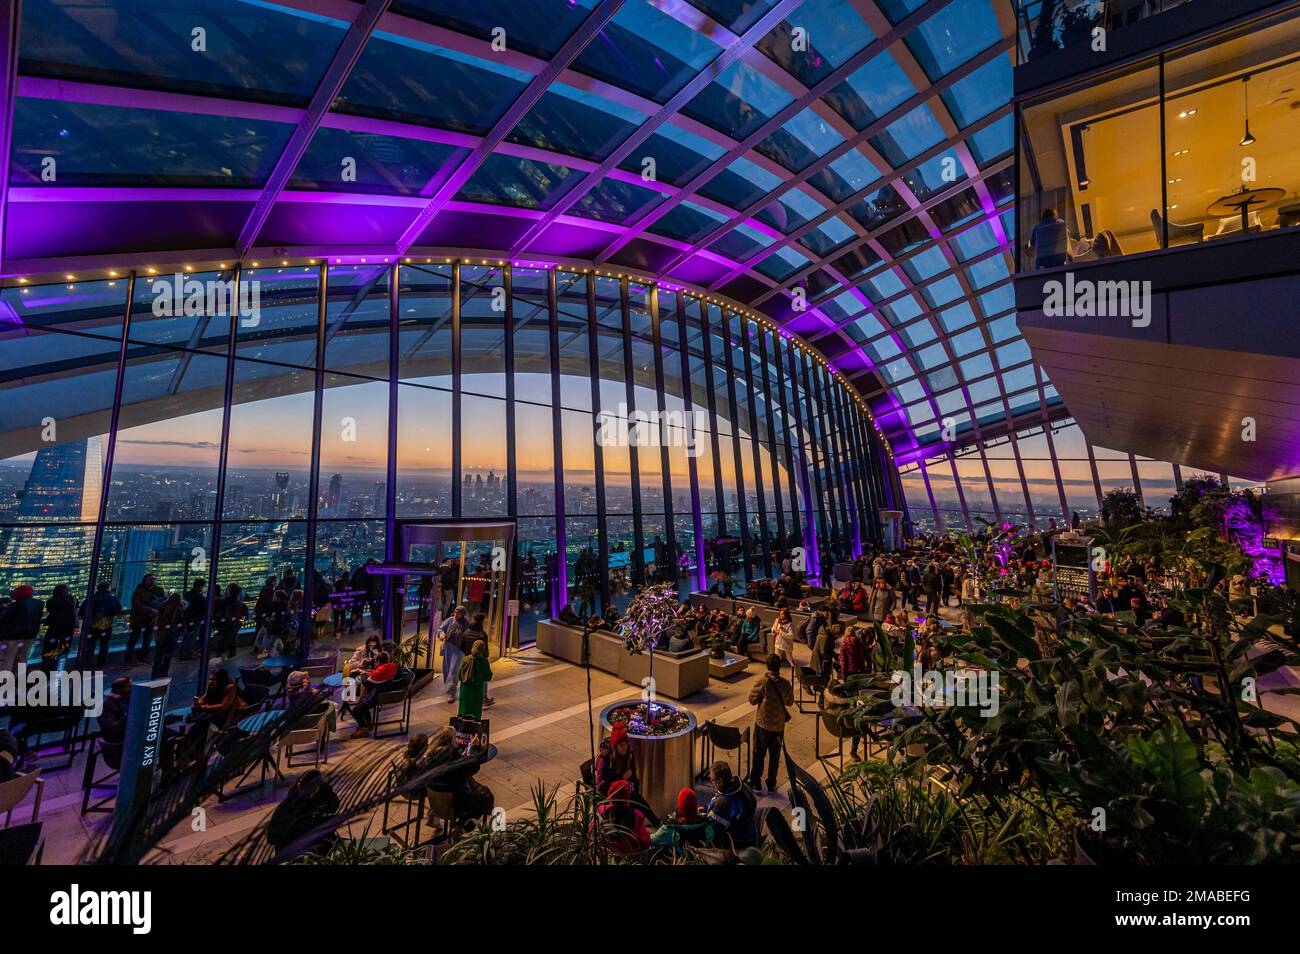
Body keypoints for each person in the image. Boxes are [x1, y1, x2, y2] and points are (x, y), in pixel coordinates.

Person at [747, 655, 793, 793]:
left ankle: (755, 782)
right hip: (778, 726)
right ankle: (771, 783)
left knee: (758, 754)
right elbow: (790, 702)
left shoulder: (763, 682)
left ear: (767, 666)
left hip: (763, 724)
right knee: (775, 756)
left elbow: (752, 700)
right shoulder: (786, 684)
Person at [266, 769, 341, 854]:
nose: (309, 795)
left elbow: (333, 806)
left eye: (311, 792)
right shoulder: (292, 802)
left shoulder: (325, 794)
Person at [703, 760, 757, 850]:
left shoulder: (723, 803)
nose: (711, 782)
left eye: (712, 780)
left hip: (738, 843)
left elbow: (712, 828)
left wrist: (705, 814)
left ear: (720, 781)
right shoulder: (744, 787)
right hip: (751, 832)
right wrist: (706, 807)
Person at [345, 653, 399, 738]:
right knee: (362, 707)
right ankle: (369, 724)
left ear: (378, 661)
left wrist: (362, 675)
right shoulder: (389, 668)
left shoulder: (379, 672)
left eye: (376, 662)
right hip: (381, 694)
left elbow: (367, 683)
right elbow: (378, 676)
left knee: (356, 710)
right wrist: (370, 673)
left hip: (374, 697)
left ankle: (363, 729)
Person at [595, 779, 651, 855]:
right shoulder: (637, 814)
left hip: (607, 855)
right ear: (628, 796)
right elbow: (645, 841)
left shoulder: (601, 810)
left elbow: (592, 832)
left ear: (610, 794)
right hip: (630, 857)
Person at [650, 786, 712, 854]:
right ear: (695, 805)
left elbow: (653, 841)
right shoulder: (707, 826)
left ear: (680, 807)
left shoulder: (670, 829)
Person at [0, 584, 43, 674]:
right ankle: (20, 678)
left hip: (12, 637)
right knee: (22, 657)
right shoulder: (39, 604)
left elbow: (4, 619)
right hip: (30, 636)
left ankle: (4, 682)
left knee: (8, 659)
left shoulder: (15, 605)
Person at [126, 573, 165, 665]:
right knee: (134, 639)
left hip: (151, 619)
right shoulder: (139, 592)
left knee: (147, 639)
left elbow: (162, 601)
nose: (153, 581)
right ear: (145, 581)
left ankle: (143, 658)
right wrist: (150, 609)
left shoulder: (157, 591)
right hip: (139, 619)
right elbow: (136, 605)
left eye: (154, 579)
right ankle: (129, 659)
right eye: (150, 580)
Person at [191, 669, 243, 734]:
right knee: (197, 723)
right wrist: (197, 703)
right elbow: (204, 698)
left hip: (228, 715)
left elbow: (224, 706)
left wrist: (203, 707)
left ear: (220, 680)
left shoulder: (230, 687)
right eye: (209, 679)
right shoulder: (212, 686)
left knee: (201, 724)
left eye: (213, 679)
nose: (210, 681)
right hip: (216, 713)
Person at [40, 583, 78, 673]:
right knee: (64, 649)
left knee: (49, 649)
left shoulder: (51, 601)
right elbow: (75, 613)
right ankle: (59, 669)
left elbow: (51, 613)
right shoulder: (72, 600)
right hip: (68, 628)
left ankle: (47, 670)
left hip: (54, 627)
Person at [86, 581, 124, 667]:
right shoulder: (113, 598)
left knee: (90, 645)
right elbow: (118, 611)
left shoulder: (91, 598)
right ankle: (100, 664)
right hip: (106, 625)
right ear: (108, 588)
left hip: (92, 625)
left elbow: (82, 611)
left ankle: (86, 663)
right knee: (104, 646)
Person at [439, 606, 469, 702]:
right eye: (455, 612)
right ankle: (448, 688)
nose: (456, 614)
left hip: (459, 649)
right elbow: (440, 629)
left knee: (454, 670)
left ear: (463, 614)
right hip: (448, 647)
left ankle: (452, 692)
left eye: (458, 613)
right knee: (447, 668)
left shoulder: (465, 624)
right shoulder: (450, 620)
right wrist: (441, 634)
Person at [457, 639, 493, 720]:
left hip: (464, 692)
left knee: (463, 713)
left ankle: (462, 732)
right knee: (475, 715)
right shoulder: (484, 662)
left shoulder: (465, 659)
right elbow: (488, 676)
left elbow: (460, 676)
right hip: (477, 692)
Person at [152, 591, 185, 678]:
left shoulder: (163, 607)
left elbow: (154, 603)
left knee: (158, 654)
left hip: (161, 633)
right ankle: (164, 672)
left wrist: (164, 597)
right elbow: (181, 623)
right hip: (172, 635)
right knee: (168, 655)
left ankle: (155, 673)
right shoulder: (179, 610)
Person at [213, 584, 247, 660]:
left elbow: (233, 615)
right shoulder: (230, 600)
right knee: (231, 638)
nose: (226, 591)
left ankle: (221, 654)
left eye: (228, 590)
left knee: (227, 638)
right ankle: (230, 654)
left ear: (232, 592)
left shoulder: (235, 603)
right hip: (231, 623)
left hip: (231, 623)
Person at [98, 676, 131, 745]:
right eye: (128, 687)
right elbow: (113, 730)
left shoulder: (126, 700)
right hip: (116, 740)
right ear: (118, 689)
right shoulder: (107, 705)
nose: (131, 690)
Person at [180, 579, 206, 661]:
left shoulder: (186, 594)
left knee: (186, 636)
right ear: (201, 586)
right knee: (193, 637)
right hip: (196, 619)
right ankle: (188, 654)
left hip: (187, 618)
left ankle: (182, 654)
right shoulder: (200, 597)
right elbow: (203, 609)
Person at [771, 607, 795, 671]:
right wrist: (774, 630)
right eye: (780, 614)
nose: (781, 615)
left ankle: (795, 671)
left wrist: (781, 632)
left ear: (786, 615)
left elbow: (791, 636)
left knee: (789, 659)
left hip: (786, 644)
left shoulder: (789, 624)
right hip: (778, 642)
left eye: (783, 614)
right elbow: (773, 627)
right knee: (777, 658)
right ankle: (776, 671)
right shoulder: (777, 620)